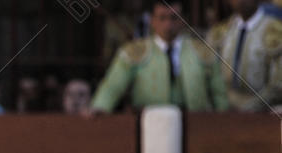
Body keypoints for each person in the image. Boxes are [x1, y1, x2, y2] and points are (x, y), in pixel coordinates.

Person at [90, 0, 227, 112]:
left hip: (196, 124)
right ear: (152, 20)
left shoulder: (203, 51)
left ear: (183, 20)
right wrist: (99, 107)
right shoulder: (134, 51)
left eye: (174, 18)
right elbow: (113, 86)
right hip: (150, 123)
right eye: (162, 18)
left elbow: (219, 93)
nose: (168, 25)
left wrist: (224, 120)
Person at [207, 0, 282, 111]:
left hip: (263, 113)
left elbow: (278, 83)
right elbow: (210, 75)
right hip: (223, 110)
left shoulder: (276, 31)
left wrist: (251, 107)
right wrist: (221, 105)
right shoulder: (219, 32)